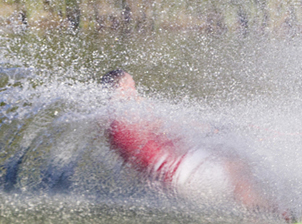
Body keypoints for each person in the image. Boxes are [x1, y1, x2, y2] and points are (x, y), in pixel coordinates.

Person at [101, 69, 269, 210]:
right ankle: (278, 215)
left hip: (163, 181)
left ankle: (254, 213)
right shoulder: (133, 113)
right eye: (132, 85)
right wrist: (211, 129)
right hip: (177, 171)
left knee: (230, 165)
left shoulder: (107, 120)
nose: (136, 90)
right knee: (237, 165)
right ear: (122, 87)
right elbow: (170, 125)